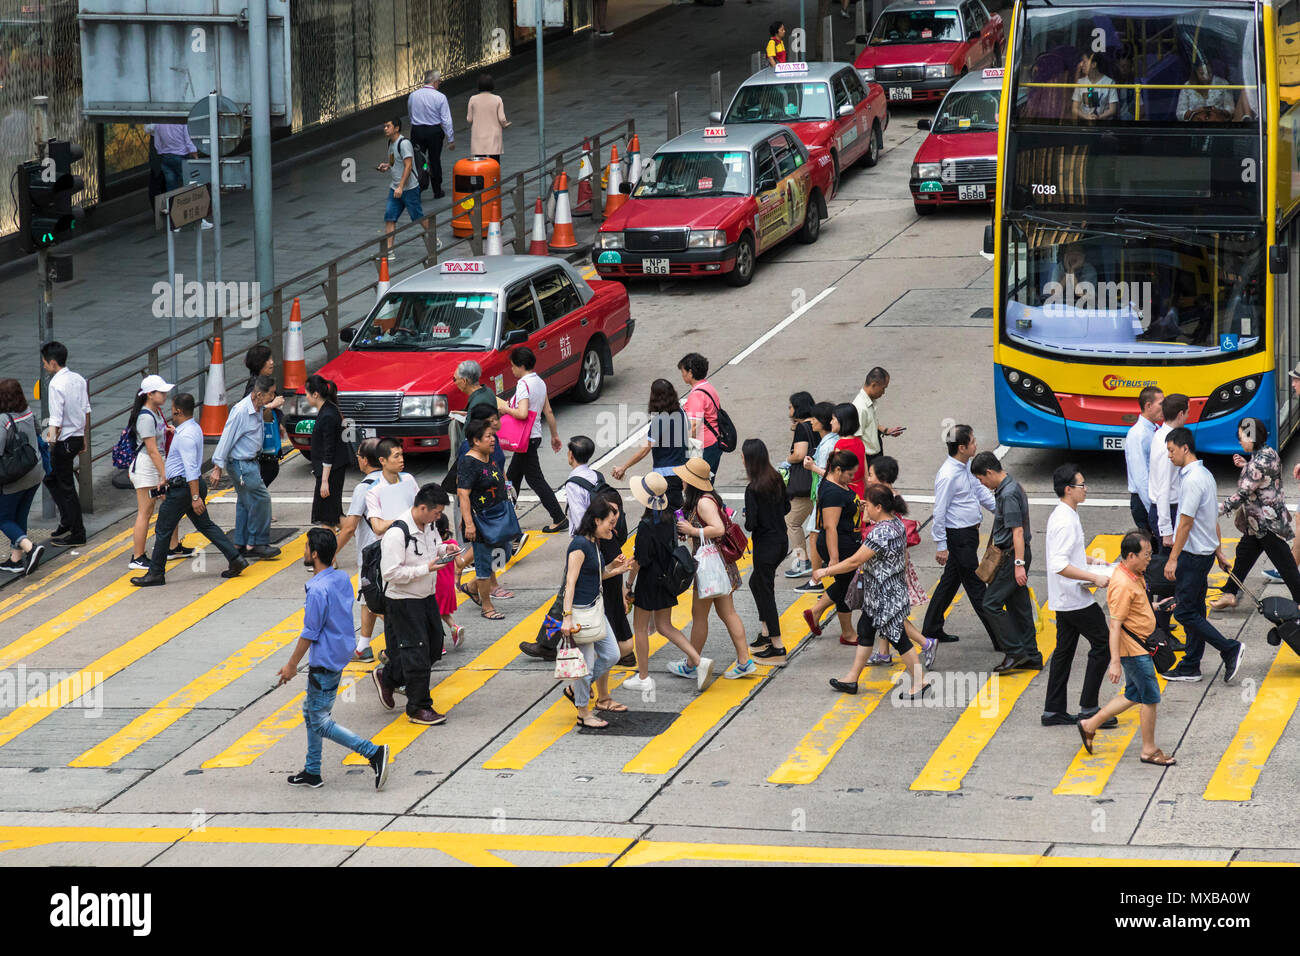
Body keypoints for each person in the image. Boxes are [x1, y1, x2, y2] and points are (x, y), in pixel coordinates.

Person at [277, 528, 389, 790]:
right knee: (311, 711)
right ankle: (312, 771)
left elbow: (309, 633)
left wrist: (291, 665)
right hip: (339, 652)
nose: (303, 551)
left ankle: (373, 753)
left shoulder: (317, 590)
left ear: (314, 554)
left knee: (320, 720)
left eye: (306, 548)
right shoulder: (340, 577)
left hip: (324, 660)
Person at [818, 484, 931, 698]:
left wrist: (826, 571)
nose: (865, 508)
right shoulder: (896, 522)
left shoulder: (881, 533)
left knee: (899, 640)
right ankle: (852, 678)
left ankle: (921, 682)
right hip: (884, 594)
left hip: (885, 598)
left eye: (868, 505)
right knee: (865, 630)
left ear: (879, 507)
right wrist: (866, 508)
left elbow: (855, 561)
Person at [1077, 531, 1176, 766]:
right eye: (1146, 555)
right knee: (1150, 697)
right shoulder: (1121, 583)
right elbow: (1115, 625)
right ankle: (1149, 750)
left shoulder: (1133, 574)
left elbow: (1136, 604)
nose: (1149, 559)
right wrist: (1115, 662)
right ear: (1131, 556)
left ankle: (1089, 725)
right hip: (1135, 650)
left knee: (1133, 693)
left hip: (1139, 646)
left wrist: (1156, 606)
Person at [130, 394, 249, 586]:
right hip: (185, 486)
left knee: (162, 529)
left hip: (184, 489)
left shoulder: (184, 436)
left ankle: (156, 573)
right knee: (205, 525)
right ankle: (235, 558)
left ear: (177, 411)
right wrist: (167, 479)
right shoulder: (192, 428)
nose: (171, 413)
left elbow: (191, 469)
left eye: (172, 410)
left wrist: (195, 497)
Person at [1160, 427, 1246, 684]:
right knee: (1195, 609)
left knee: (1185, 612)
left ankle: (1229, 648)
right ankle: (1190, 665)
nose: (1169, 456)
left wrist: (1173, 558)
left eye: (1171, 450)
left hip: (1192, 556)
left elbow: (1186, 522)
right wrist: (1219, 551)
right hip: (1204, 554)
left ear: (1184, 448)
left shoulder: (1193, 479)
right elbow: (1210, 518)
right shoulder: (1205, 475)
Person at [371, 483, 454, 725]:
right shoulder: (397, 533)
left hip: (427, 596)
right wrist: (424, 569)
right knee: (416, 652)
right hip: (403, 601)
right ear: (421, 507)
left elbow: (434, 547)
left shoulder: (429, 526)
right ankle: (418, 707)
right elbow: (390, 573)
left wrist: (446, 549)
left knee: (434, 646)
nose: (438, 518)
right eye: (436, 513)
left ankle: (388, 676)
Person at [1043, 463, 1118, 728]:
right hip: (1074, 598)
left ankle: (1053, 710)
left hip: (1065, 598)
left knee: (1064, 652)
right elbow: (1059, 564)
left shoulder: (1065, 513)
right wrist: (1093, 577)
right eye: (1081, 485)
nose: (1085, 489)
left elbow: (1066, 554)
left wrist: (1090, 561)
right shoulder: (1064, 521)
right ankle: (1088, 708)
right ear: (1068, 490)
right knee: (1104, 643)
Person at [623, 472, 710, 694]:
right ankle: (698, 660)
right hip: (667, 578)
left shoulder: (645, 525)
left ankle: (643, 677)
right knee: (664, 626)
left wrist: (629, 585)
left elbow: (640, 561)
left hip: (649, 582)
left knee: (640, 629)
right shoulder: (670, 517)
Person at [673, 457, 755, 682]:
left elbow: (718, 529)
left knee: (699, 616)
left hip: (710, 567)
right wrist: (690, 531)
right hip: (720, 566)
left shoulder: (703, 502)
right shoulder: (705, 499)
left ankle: (692, 663)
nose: (681, 481)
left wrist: (694, 531)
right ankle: (744, 661)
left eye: (684, 478)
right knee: (727, 613)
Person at [920, 423, 999, 647]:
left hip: (969, 534)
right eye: (973, 442)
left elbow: (979, 491)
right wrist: (941, 545)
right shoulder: (947, 475)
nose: (976, 445)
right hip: (959, 536)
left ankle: (932, 627)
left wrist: (998, 509)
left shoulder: (966, 467)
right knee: (975, 585)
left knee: (950, 582)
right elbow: (939, 511)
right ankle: (1001, 636)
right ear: (962, 447)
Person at [561, 497, 632, 728]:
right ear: (596, 520)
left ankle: (576, 688)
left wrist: (615, 569)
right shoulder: (579, 545)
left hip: (595, 610)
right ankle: (584, 713)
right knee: (587, 665)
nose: (612, 527)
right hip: (581, 614)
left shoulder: (594, 543)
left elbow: (596, 575)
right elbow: (570, 583)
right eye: (609, 523)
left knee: (612, 654)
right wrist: (567, 616)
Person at [861, 457, 938, 669]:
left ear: (882, 478)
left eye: (871, 474)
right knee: (887, 615)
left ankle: (926, 642)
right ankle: (884, 653)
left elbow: (892, 536)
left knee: (893, 615)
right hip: (888, 563)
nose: (867, 478)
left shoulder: (884, 501)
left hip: (890, 566)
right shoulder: (885, 497)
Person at [1214, 417, 1300, 608]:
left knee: (1286, 565)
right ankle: (1230, 592)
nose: (1239, 441)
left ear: (1251, 437)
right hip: (1262, 521)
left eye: (1241, 437)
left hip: (1265, 524)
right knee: (1244, 554)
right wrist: (1245, 466)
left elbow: (1241, 494)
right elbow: (1262, 479)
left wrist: (1215, 511)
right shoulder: (1268, 453)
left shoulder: (1256, 464)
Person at [970, 450, 1043, 672]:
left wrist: (1018, 565)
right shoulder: (1010, 486)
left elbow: (1017, 531)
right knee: (1018, 607)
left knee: (990, 604)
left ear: (990, 472)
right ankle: (1031, 655)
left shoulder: (1008, 493)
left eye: (982, 479)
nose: (982, 484)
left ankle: (1015, 651)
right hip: (1014, 555)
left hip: (1012, 556)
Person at [212, 374, 281, 561]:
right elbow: (227, 438)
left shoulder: (258, 407)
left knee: (244, 502)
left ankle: (240, 543)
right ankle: (257, 542)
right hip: (242, 465)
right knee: (262, 499)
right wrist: (218, 466)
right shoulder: (241, 411)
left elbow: (266, 410)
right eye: (271, 394)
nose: (273, 398)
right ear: (258, 394)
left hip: (249, 462)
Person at [499, 346, 567, 533]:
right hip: (534, 436)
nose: (511, 369)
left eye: (513, 366)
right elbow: (549, 411)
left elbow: (521, 413)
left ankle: (559, 517)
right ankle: (506, 519)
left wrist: (505, 409)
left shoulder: (524, 384)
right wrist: (554, 435)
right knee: (513, 478)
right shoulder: (540, 382)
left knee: (535, 480)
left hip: (525, 439)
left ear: (521, 366)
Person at [801, 450, 861, 645]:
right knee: (846, 587)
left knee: (846, 583)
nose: (852, 478)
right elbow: (830, 526)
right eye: (850, 474)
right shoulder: (833, 492)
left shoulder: (836, 482)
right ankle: (848, 633)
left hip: (846, 542)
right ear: (837, 470)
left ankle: (815, 612)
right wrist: (834, 559)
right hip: (838, 545)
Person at [126, 375, 185, 571]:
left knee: (170, 505)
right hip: (147, 467)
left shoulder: (156, 411)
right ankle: (138, 556)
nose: (166, 394)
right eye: (161, 391)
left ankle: (173, 547)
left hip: (157, 464)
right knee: (146, 511)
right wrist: (164, 475)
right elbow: (151, 450)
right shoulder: (145, 416)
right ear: (150, 394)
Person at [457, 417, 513, 620]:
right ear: (475, 440)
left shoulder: (489, 457)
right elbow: (463, 494)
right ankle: (487, 607)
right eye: (488, 436)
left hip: (500, 518)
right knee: (483, 563)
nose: (493, 440)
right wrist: (469, 524)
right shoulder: (469, 463)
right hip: (481, 521)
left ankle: (472, 587)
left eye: (493, 436)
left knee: (504, 553)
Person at [335, 439, 383, 662]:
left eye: (359, 455)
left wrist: (330, 552)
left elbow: (349, 527)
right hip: (394, 548)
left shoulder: (364, 488)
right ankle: (363, 646)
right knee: (368, 597)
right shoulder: (396, 480)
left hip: (372, 553)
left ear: (364, 460)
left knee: (378, 601)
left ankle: (417, 635)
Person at [611, 378, 690, 512]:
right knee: (678, 511)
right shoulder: (681, 413)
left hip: (665, 476)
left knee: (667, 515)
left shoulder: (659, 420)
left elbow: (645, 450)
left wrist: (624, 467)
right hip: (681, 472)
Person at [744, 439, 791, 661]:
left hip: (765, 546)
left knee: (766, 591)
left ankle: (777, 644)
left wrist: (748, 515)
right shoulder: (776, 479)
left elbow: (751, 524)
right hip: (781, 541)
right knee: (756, 583)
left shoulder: (752, 489)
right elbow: (786, 508)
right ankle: (765, 632)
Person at [40, 341, 91, 547]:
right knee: (52, 479)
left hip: (64, 441)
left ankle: (77, 532)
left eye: (44, 362)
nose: (44, 365)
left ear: (53, 363)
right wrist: (84, 439)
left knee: (66, 487)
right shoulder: (78, 378)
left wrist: (50, 442)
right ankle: (67, 521)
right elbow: (86, 409)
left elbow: (56, 419)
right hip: (76, 438)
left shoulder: (55, 384)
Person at [1148, 393, 1189, 630]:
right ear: (1181, 413)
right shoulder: (1168, 443)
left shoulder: (1161, 435)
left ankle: (1162, 624)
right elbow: (1163, 490)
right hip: (1167, 512)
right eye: (1188, 411)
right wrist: (1166, 530)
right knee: (1169, 575)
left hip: (1164, 510)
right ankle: (1161, 630)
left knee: (1170, 574)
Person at [0, 379, 46, 577]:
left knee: (3, 519)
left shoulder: (4, 420)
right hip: (35, 472)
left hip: (14, 477)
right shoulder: (28, 411)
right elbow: (38, 432)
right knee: (20, 515)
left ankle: (30, 548)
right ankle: (15, 560)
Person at [796, 402, 839, 594]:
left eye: (814, 418)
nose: (811, 421)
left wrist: (812, 467)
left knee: (813, 535)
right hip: (824, 495)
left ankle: (816, 580)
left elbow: (829, 474)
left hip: (825, 496)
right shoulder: (830, 440)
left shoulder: (828, 444)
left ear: (823, 421)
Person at [379, 117, 426, 257]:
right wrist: (387, 166)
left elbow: (408, 165)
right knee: (389, 217)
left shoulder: (404, 143)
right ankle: (389, 250)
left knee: (417, 217)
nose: (385, 129)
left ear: (397, 128)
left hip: (409, 189)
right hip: (395, 188)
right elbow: (395, 161)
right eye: (385, 126)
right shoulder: (390, 143)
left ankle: (433, 236)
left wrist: (400, 187)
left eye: (388, 126)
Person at [306, 374, 348, 530]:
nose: (306, 397)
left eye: (307, 394)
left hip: (330, 473)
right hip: (332, 471)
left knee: (327, 519)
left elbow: (329, 451)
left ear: (315, 394)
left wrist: (324, 481)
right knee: (334, 516)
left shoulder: (328, 415)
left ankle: (328, 553)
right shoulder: (330, 409)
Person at [243, 345, 288, 488]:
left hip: (268, 448)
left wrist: (279, 421)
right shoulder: (254, 386)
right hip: (261, 452)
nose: (272, 362)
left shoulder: (265, 382)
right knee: (256, 491)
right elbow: (249, 412)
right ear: (259, 362)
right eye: (268, 359)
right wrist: (273, 404)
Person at [783, 391, 817, 580]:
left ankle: (802, 562)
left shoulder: (803, 428)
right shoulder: (817, 423)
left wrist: (787, 459)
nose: (789, 410)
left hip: (804, 484)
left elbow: (799, 454)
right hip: (818, 480)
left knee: (792, 522)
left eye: (791, 406)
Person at [1124, 385, 1164, 535]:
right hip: (1144, 501)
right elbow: (1140, 476)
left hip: (1155, 497)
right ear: (1148, 405)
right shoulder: (1137, 435)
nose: (1164, 407)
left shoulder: (1156, 429)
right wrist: (1152, 510)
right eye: (1160, 404)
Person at [408, 70, 455, 198]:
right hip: (434, 132)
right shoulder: (440, 97)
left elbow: (410, 113)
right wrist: (450, 139)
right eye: (439, 81)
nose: (439, 83)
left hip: (417, 131)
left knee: (419, 159)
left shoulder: (413, 95)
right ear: (434, 82)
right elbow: (446, 120)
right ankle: (437, 189)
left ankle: (419, 184)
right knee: (434, 160)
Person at [678, 353, 725, 479]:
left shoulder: (696, 395)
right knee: (708, 482)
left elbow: (694, 426)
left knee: (698, 485)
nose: (682, 374)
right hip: (715, 441)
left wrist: (691, 454)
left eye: (683, 371)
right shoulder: (708, 387)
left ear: (691, 373)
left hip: (704, 446)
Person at [852, 367, 904, 468]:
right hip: (867, 459)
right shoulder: (860, 407)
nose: (883, 392)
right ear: (874, 385)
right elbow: (857, 440)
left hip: (875, 456)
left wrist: (886, 430)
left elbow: (871, 423)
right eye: (883, 388)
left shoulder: (869, 401)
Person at [432, 511, 466, 653]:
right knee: (442, 612)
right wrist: (458, 575)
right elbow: (460, 563)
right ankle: (454, 627)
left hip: (436, 584)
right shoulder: (452, 544)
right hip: (448, 584)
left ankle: (440, 645)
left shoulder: (432, 546)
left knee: (433, 614)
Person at [466, 73, 510, 165]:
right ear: (492, 85)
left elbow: (469, 119)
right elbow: (502, 118)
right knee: (494, 164)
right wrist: (505, 124)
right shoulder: (497, 99)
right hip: (493, 136)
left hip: (478, 136)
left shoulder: (473, 99)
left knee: (479, 164)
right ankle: (494, 179)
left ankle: (480, 179)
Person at [562, 436, 600, 534]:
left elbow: (579, 516)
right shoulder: (597, 475)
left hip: (587, 536)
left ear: (571, 455)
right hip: (601, 528)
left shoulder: (572, 484)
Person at [150, 123, 199, 192]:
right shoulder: (182, 123)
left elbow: (157, 144)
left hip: (165, 158)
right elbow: (188, 141)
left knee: (171, 186)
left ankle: (171, 201)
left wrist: (162, 152)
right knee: (186, 184)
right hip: (181, 157)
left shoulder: (159, 123)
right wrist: (196, 156)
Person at [1072, 52, 1118, 121]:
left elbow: (1113, 109)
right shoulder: (1080, 82)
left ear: (1094, 65)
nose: (1081, 65)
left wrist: (1098, 117)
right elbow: (1074, 108)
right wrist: (1087, 117)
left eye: (1084, 62)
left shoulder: (1109, 82)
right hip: (1084, 125)